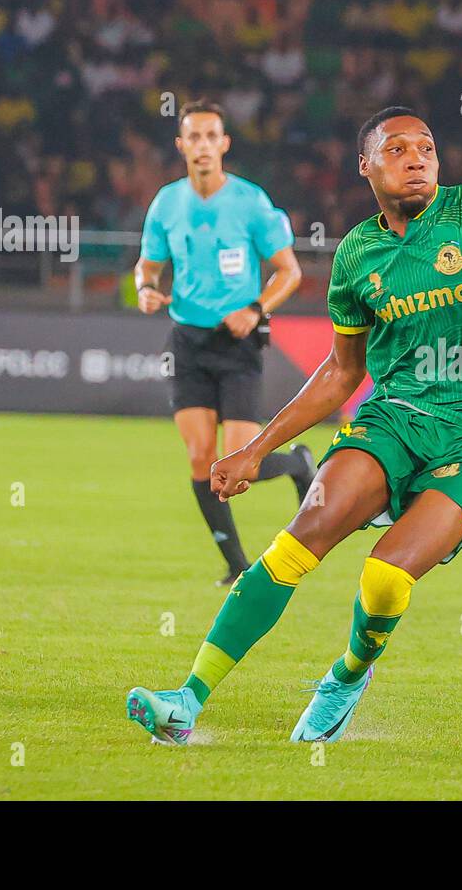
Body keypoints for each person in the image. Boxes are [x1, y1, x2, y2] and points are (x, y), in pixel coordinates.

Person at [126, 106, 462, 745]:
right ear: (365, 165)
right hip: (394, 420)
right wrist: (253, 448)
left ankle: (347, 675)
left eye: (427, 146)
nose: (417, 158)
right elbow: (340, 374)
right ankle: (186, 700)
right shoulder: (359, 254)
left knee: (386, 575)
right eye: (397, 149)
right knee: (298, 539)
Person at [135, 99, 316, 587]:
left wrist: (255, 308)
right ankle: (236, 563)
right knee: (200, 458)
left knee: (238, 469)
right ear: (181, 146)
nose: (202, 145)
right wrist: (145, 290)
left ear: (224, 144)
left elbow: (289, 271)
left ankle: (298, 461)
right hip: (187, 341)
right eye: (193, 137)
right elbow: (147, 268)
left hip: (237, 346)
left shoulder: (251, 202)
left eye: (211, 136)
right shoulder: (167, 203)